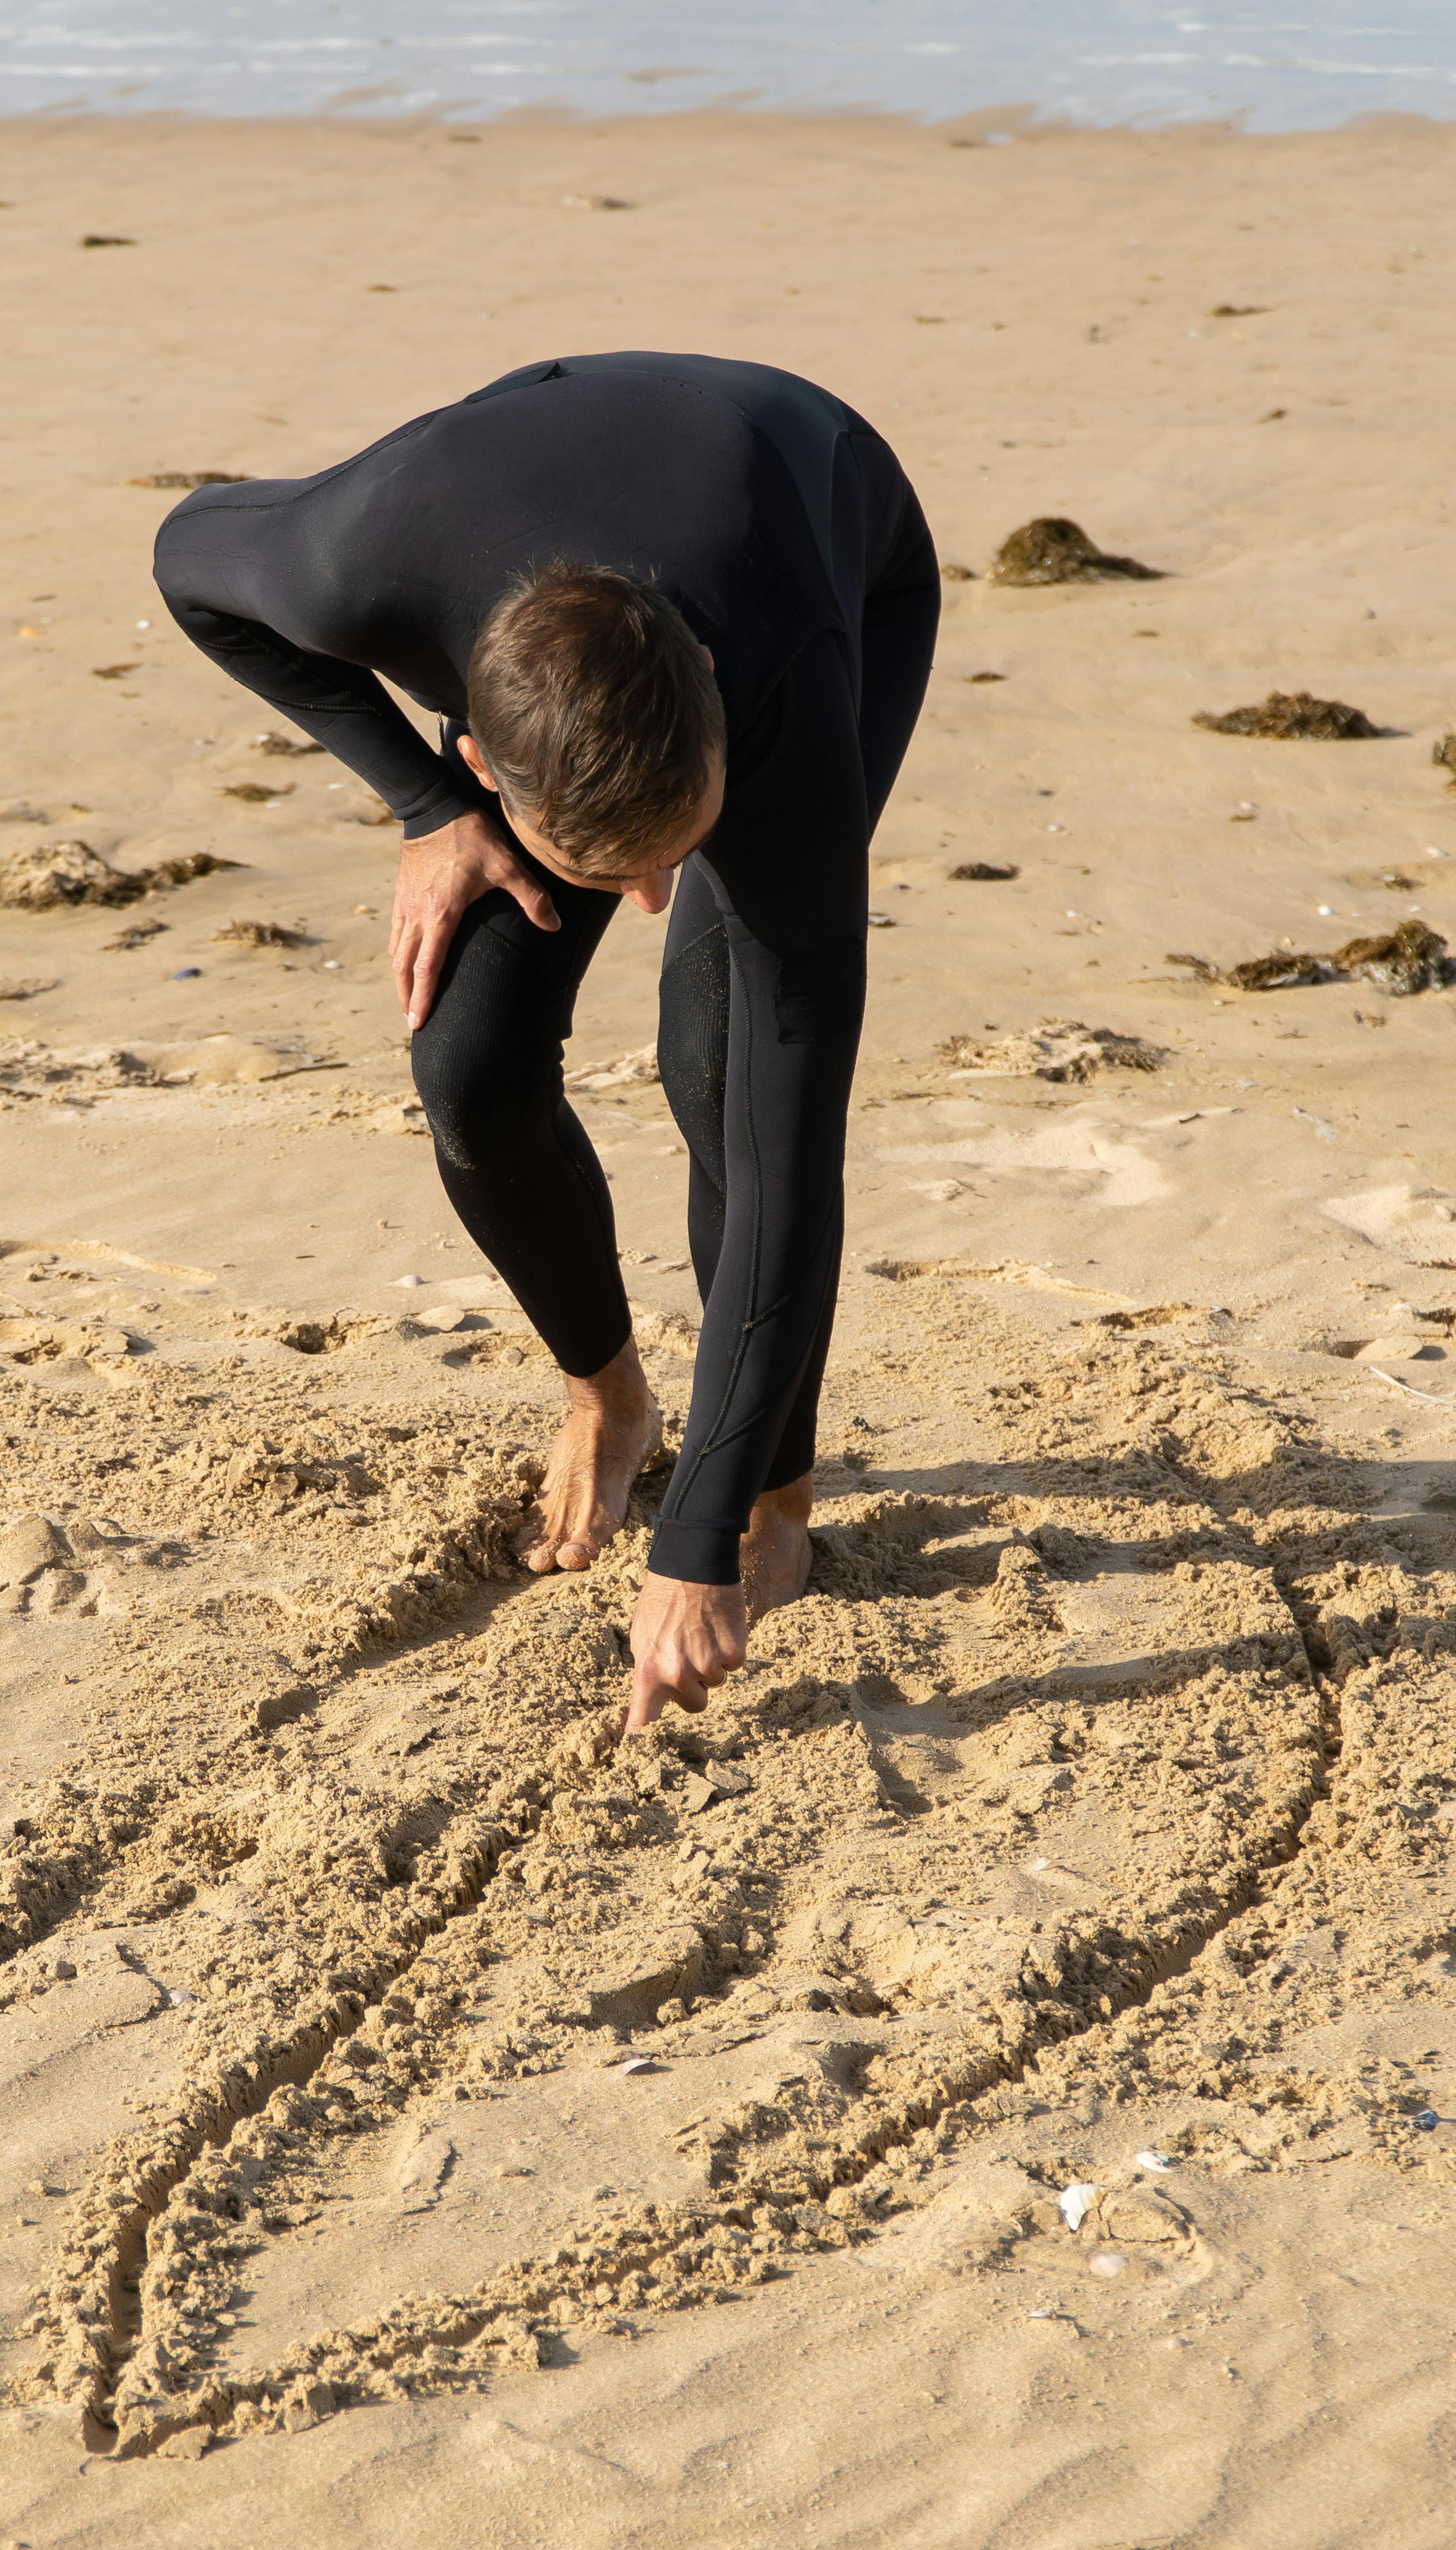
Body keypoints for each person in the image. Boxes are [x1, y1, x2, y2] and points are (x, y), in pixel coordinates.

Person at [154, 351, 938, 1731]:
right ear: (483, 762)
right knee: (467, 1067)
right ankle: (608, 1396)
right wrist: (415, 804)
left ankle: (772, 1486)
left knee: (721, 1069)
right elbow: (186, 555)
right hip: (509, 551)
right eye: (605, 870)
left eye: (675, 855)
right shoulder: (356, 565)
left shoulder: (779, 702)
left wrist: (691, 1551)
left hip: (832, 548)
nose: (646, 903)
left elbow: (789, 1163)